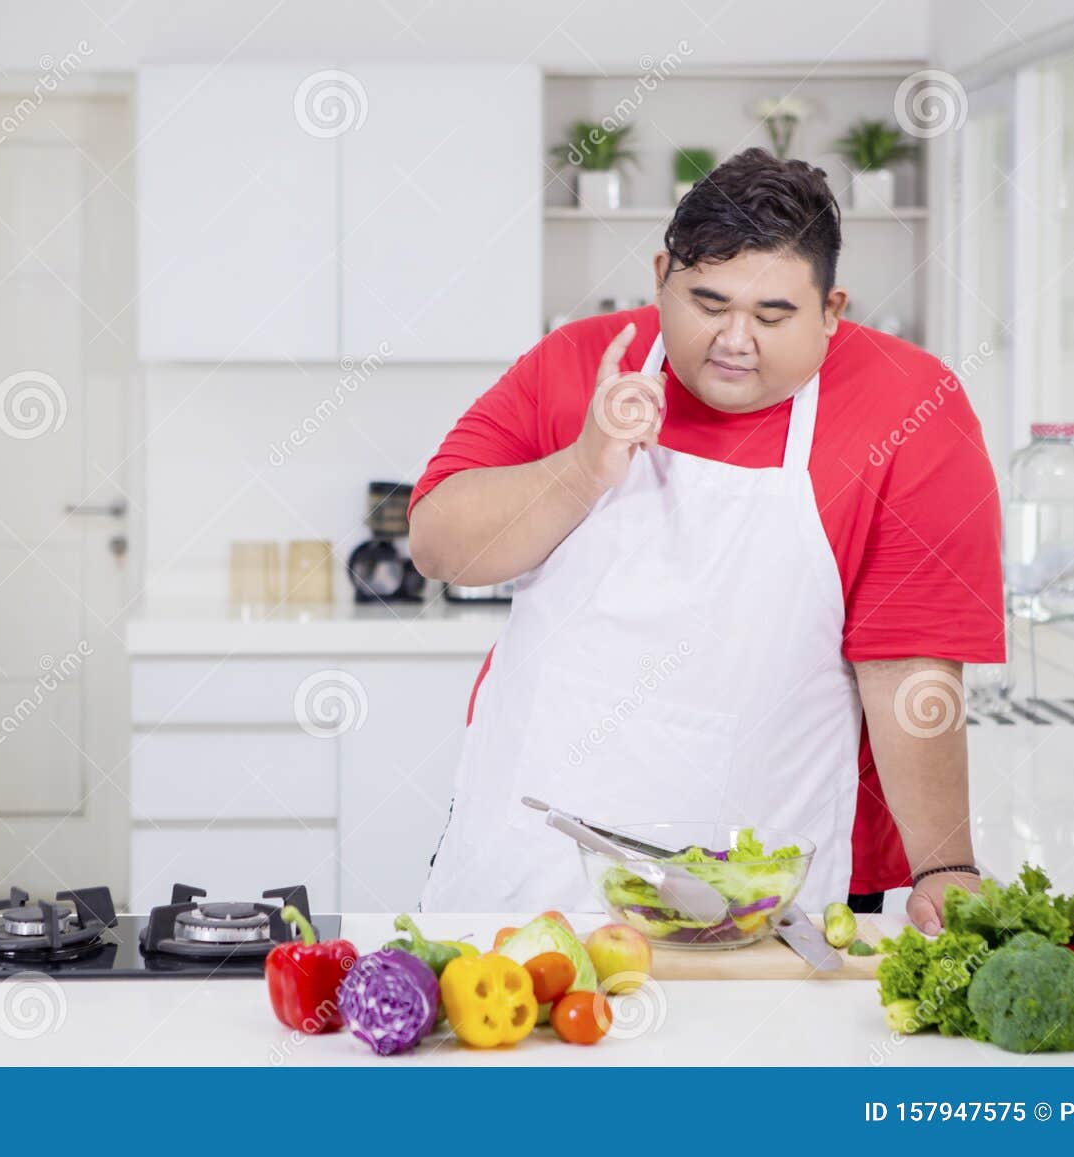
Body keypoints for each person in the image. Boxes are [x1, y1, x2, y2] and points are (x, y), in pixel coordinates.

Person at [411, 148, 1001, 931]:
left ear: (832, 308)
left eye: (773, 314)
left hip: (768, 888)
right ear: (662, 274)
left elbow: (908, 662)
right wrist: (585, 468)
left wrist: (945, 862)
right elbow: (439, 545)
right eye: (707, 302)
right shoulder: (579, 363)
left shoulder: (909, 408)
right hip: (534, 861)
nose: (734, 340)